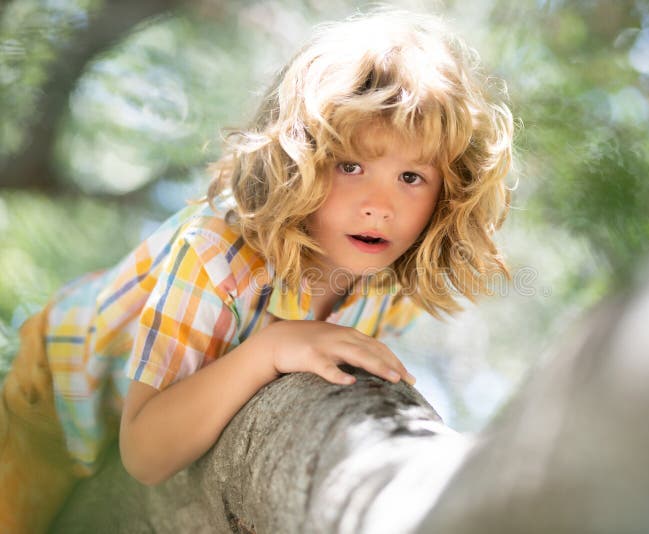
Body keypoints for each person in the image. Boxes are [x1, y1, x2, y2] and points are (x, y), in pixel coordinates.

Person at [0, 8, 514, 533]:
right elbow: (145, 451)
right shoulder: (218, 256)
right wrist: (271, 349)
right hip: (51, 406)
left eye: (410, 176)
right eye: (351, 167)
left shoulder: (388, 280)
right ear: (299, 161)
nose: (379, 205)